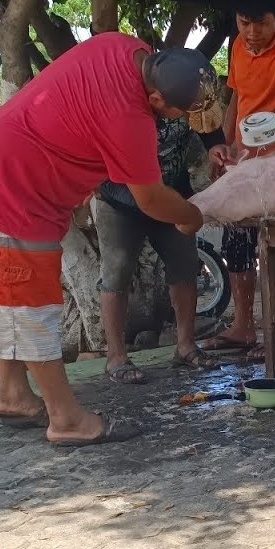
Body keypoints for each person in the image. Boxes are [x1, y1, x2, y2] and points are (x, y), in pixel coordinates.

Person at [0, 32, 212, 446]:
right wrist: (192, 216)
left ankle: (13, 395)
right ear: (157, 99)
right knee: (30, 304)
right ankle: (66, 420)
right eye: (181, 111)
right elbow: (151, 198)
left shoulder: (120, 46)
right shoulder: (130, 117)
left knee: (10, 298)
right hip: (13, 192)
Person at [202, 0, 275, 360]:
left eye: (261, 24)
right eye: (244, 22)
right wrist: (224, 143)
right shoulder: (238, 46)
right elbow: (237, 97)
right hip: (244, 161)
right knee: (237, 242)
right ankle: (243, 327)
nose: (252, 33)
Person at [93, 100, 227, 384]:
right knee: (117, 271)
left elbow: (207, 118)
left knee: (185, 264)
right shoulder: (122, 98)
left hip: (170, 193)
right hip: (119, 198)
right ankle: (116, 357)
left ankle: (186, 346)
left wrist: (215, 144)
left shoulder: (192, 93)